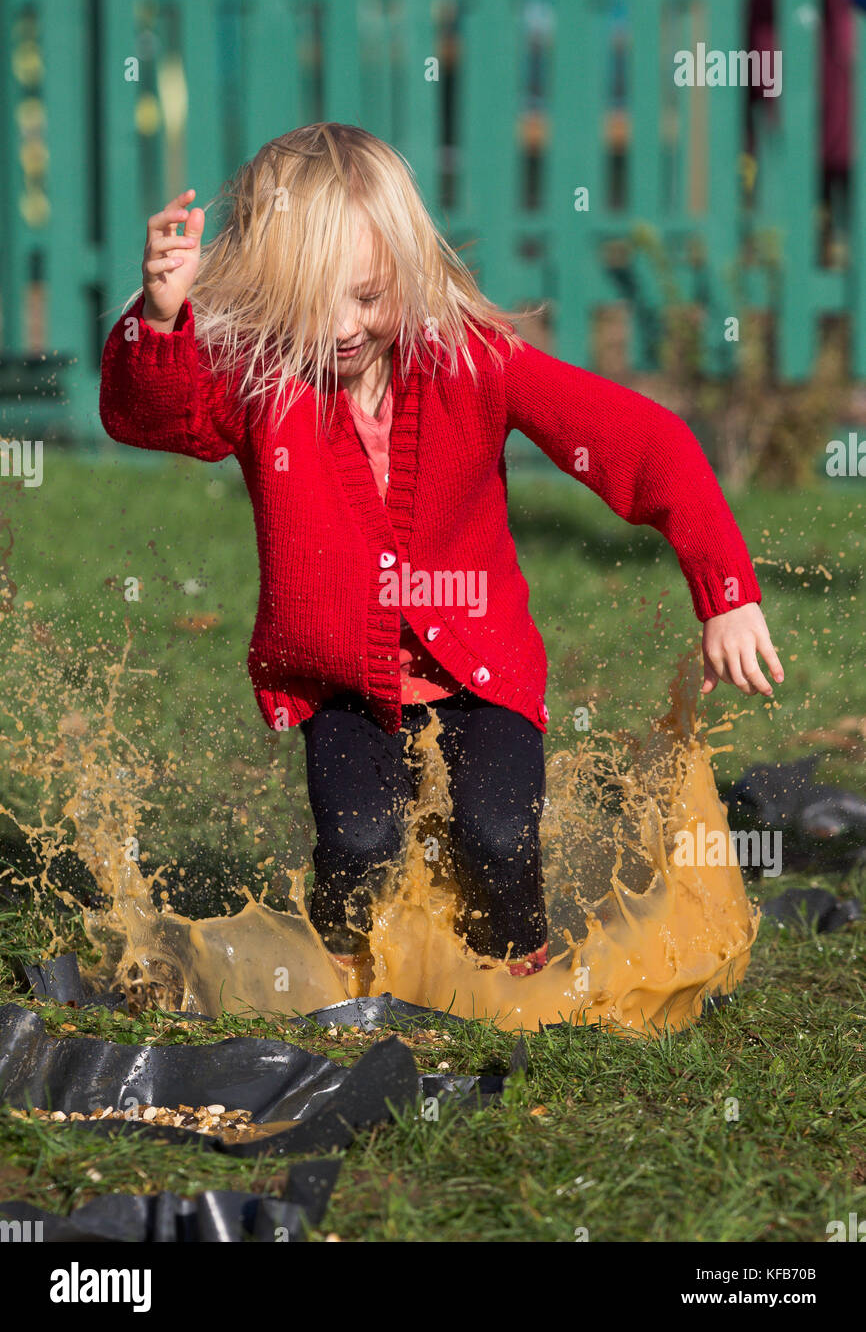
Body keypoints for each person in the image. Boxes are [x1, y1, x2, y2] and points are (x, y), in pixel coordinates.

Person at [99, 123, 783, 997]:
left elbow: (643, 441)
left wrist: (724, 590)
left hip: (483, 667)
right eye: (317, 302)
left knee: (497, 835)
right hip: (339, 678)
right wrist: (161, 319)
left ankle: (512, 969)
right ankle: (351, 978)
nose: (345, 328)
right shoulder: (262, 382)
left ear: (409, 271)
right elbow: (148, 416)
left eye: (370, 298)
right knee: (358, 843)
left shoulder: (472, 361)